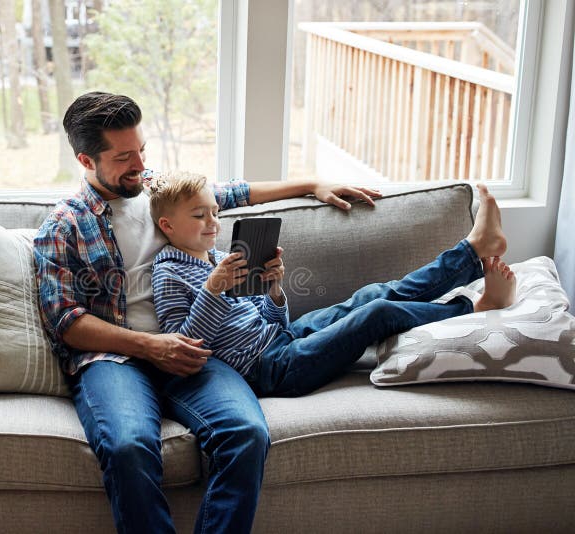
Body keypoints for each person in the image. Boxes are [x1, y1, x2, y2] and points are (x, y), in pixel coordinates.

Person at [33, 91, 382, 534]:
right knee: (127, 447)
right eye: (124, 157)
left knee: (246, 434)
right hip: (117, 359)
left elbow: (234, 192)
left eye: (142, 149)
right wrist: (150, 345)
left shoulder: (159, 190)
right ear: (86, 160)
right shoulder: (63, 226)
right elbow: (65, 320)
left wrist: (311, 184)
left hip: (199, 349)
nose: (139, 164)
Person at [150, 171, 516, 398]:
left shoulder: (216, 255)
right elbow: (183, 350)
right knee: (378, 313)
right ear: (167, 226)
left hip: (283, 337)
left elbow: (270, 322)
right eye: (200, 216)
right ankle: (476, 307)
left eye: (215, 212)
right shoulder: (169, 273)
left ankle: (472, 251)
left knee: (372, 295)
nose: (213, 223)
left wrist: (274, 291)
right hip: (272, 370)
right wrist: (213, 290)